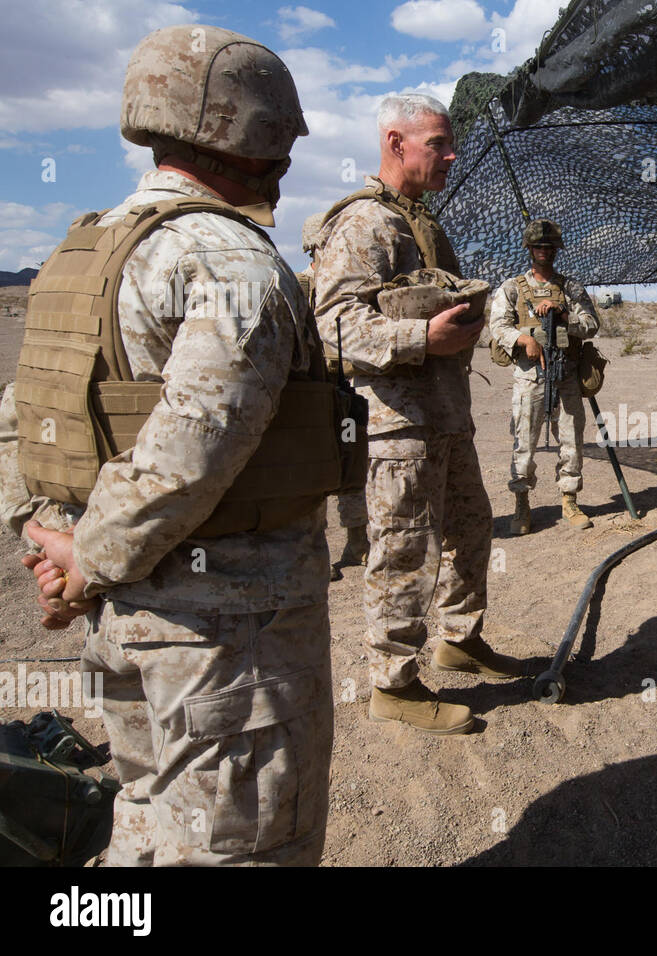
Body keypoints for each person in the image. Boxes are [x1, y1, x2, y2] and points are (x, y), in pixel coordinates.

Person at [16, 24, 333, 864]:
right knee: (246, 848)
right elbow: (194, 444)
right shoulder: (235, 263)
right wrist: (86, 560)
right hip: (227, 634)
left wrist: (47, 540)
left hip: (123, 626)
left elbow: (27, 416)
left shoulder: (80, 253)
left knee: (150, 832)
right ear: (254, 131)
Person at [314, 92, 522, 735]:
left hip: (445, 418)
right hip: (397, 424)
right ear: (396, 143)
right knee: (405, 552)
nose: (450, 153)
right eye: (437, 142)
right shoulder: (365, 225)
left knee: (471, 530)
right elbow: (335, 327)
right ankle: (393, 683)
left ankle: (459, 640)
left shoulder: (421, 223)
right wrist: (421, 340)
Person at [487, 219, 602, 534]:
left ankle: (569, 499)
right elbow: (497, 326)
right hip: (530, 376)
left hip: (565, 373)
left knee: (571, 440)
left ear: (556, 251)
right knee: (524, 441)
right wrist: (524, 340)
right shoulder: (512, 288)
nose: (544, 252)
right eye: (539, 246)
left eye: (549, 247)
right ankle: (521, 504)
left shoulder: (570, 288)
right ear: (529, 249)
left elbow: (591, 323)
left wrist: (564, 314)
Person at [300, 212, 368, 581]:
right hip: (311, 396)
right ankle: (316, 550)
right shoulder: (299, 287)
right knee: (313, 473)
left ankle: (358, 541)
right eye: (323, 246)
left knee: (351, 464)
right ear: (312, 248)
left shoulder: (345, 287)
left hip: (345, 392)